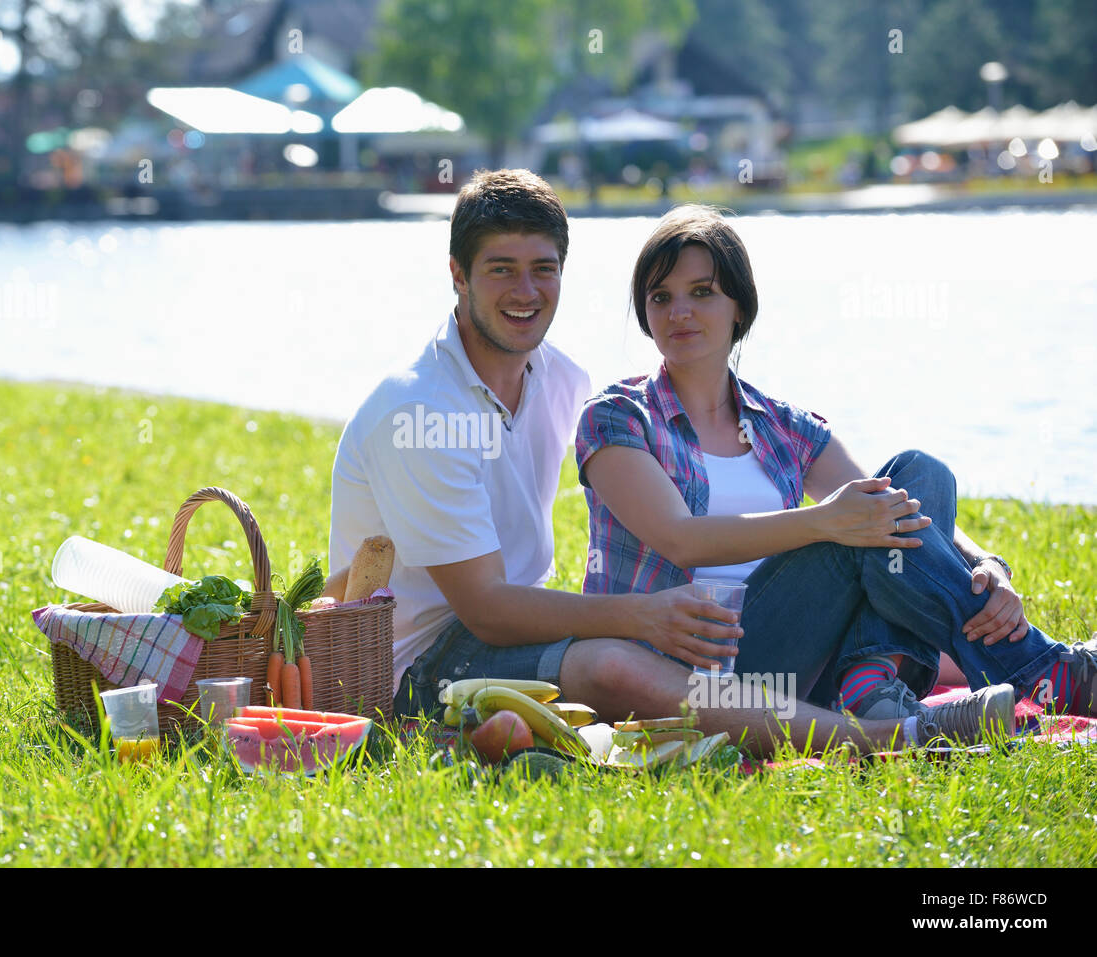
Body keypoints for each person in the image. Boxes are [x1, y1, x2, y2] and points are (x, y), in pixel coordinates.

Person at [328, 169, 1011, 757]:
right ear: (458, 276)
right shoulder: (419, 411)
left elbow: (875, 499)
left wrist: (981, 562)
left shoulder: (558, 379)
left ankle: (1019, 667)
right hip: (421, 667)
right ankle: (885, 739)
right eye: (500, 268)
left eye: (543, 268)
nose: (525, 291)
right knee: (618, 666)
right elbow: (486, 610)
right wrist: (641, 614)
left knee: (902, 502)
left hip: (569, 631)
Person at [575, 203, 1096, 732]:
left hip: (796, 659)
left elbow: (897, 502)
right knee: (857, 527)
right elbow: (680, 539)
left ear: (740, 307)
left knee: (921, 472)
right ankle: (1037, 666)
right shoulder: (618, 417)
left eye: (702, 292)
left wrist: (987, 562)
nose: (678, 312)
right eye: (660, 297)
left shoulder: (782, 425)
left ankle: (874, 683)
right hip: (680, 670)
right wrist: (824, 521)